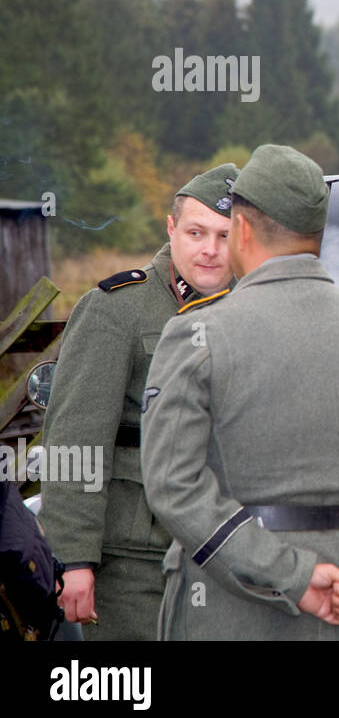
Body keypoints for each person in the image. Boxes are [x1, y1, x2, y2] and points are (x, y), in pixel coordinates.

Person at [141, 143, 339, 639]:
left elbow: (174, 487)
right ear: (317, 235)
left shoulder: (198, 335)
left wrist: (291, 575)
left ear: (242, 230)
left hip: (235, 619)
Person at [41, 163, 239, 639]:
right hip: (136, 565)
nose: (210, 249)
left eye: (225, 236)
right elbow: (76, 438)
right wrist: (75, 558)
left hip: (233, 557)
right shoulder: (118, 309)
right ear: (171, 228)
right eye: (196, 232)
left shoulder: (256, 311)